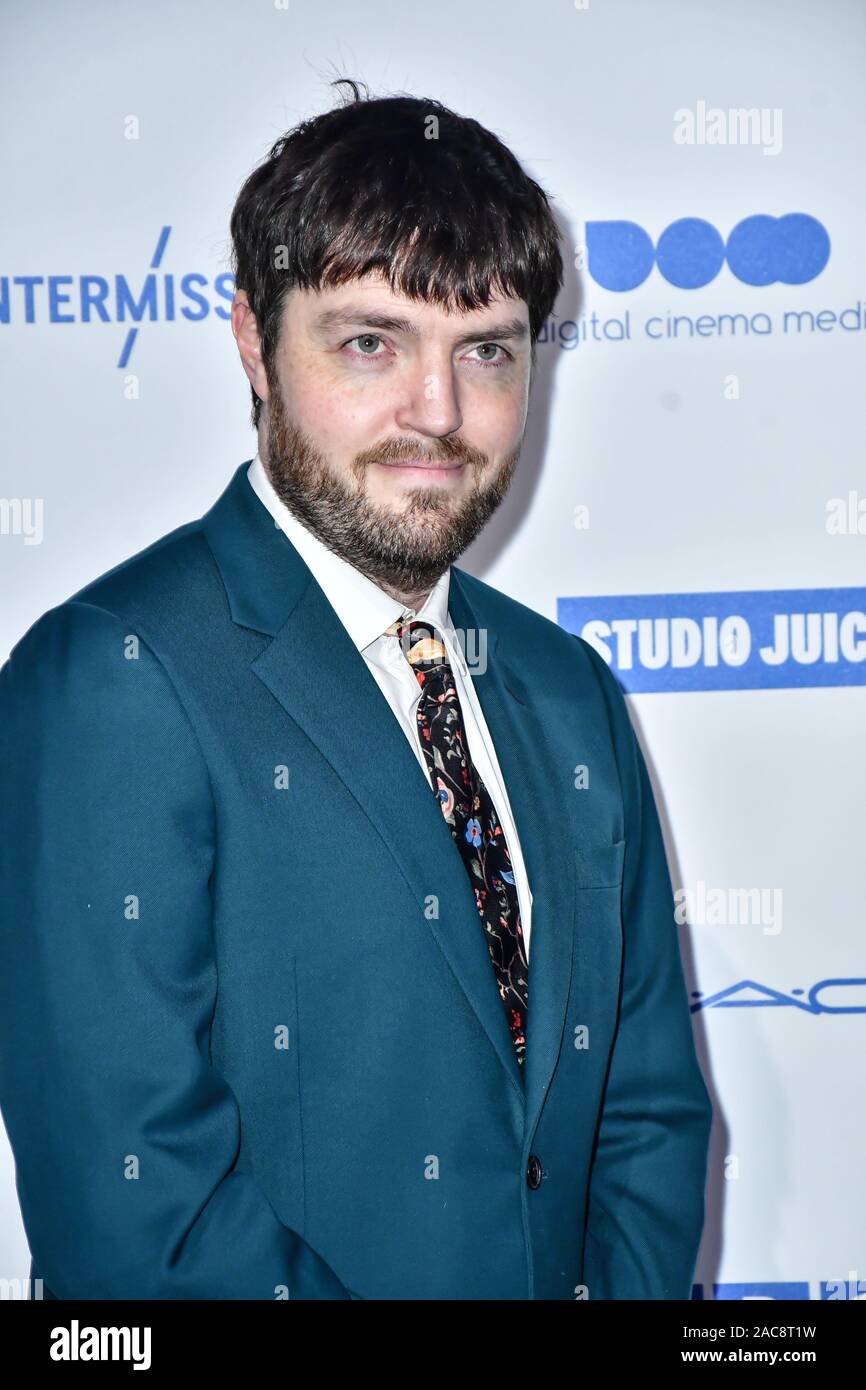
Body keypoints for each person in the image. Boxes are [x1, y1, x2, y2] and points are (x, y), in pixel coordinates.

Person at [0, 80, 712, 1300]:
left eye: (484, 350)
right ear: (252, 343)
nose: (436, 413)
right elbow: (137, 1229)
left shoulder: (566, 690)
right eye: (370, 341)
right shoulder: (109, 678)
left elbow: (644, 1118)